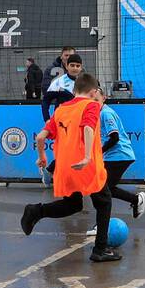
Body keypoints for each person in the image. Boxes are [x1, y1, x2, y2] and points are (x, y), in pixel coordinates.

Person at [20, 72, 121, 263]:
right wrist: (87, 156)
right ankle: (100, 249)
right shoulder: (91, 105)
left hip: (65, 167)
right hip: (86, 166)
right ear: (93, 92)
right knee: (104, 201)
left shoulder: (61, 110)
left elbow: (40, 137)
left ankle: (36, 211)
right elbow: (89, 127)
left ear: (74, 90)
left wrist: (42, 157)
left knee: (73, 204)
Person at [82, 84, 145, 234]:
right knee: (105, 189)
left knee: (101, 190)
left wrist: (97, 152)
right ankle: (135, 200)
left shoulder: (106, 114)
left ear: (104, 98)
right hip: (114, 156)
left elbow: (114, 138)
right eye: (91, 99)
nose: (94, 102)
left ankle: (101, 226)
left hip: (119, 155)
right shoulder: (95, 114)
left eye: (97, 99)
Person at [41, 52, 83, 121]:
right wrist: (47, 119)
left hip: (79, 121)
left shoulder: (85, 83)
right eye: (72, 65)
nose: (75, 68)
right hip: (61, 121)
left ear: (81, 68)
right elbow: (45, 100)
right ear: (66, 66)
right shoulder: (59, 82)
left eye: (77, 66)